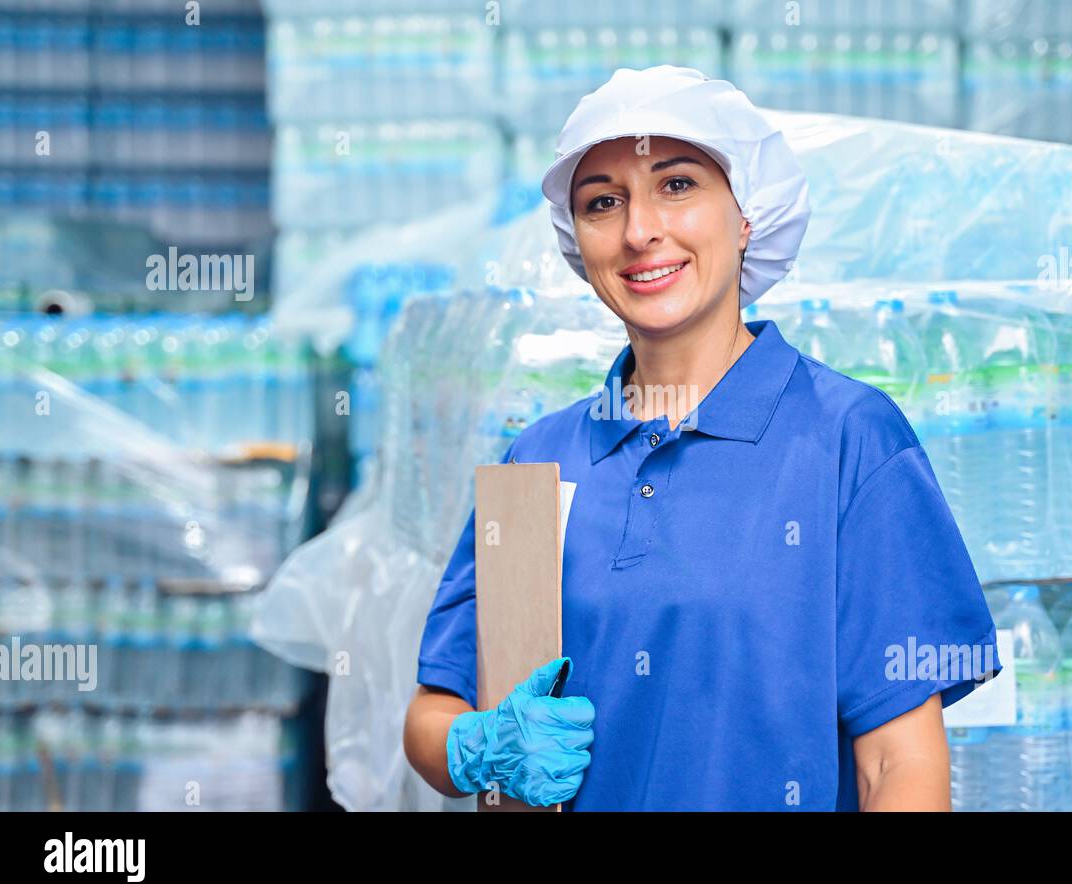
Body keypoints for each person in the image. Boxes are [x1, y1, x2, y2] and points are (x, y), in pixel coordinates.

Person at [403, 65, 1002, 811]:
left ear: (747, 215)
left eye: (678, 185)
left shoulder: (849, 441)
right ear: (578, 240)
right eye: (602, 202)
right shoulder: (541, 462)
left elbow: (899, 768)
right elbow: (435, 709)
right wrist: (476, 747)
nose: (639, 230)